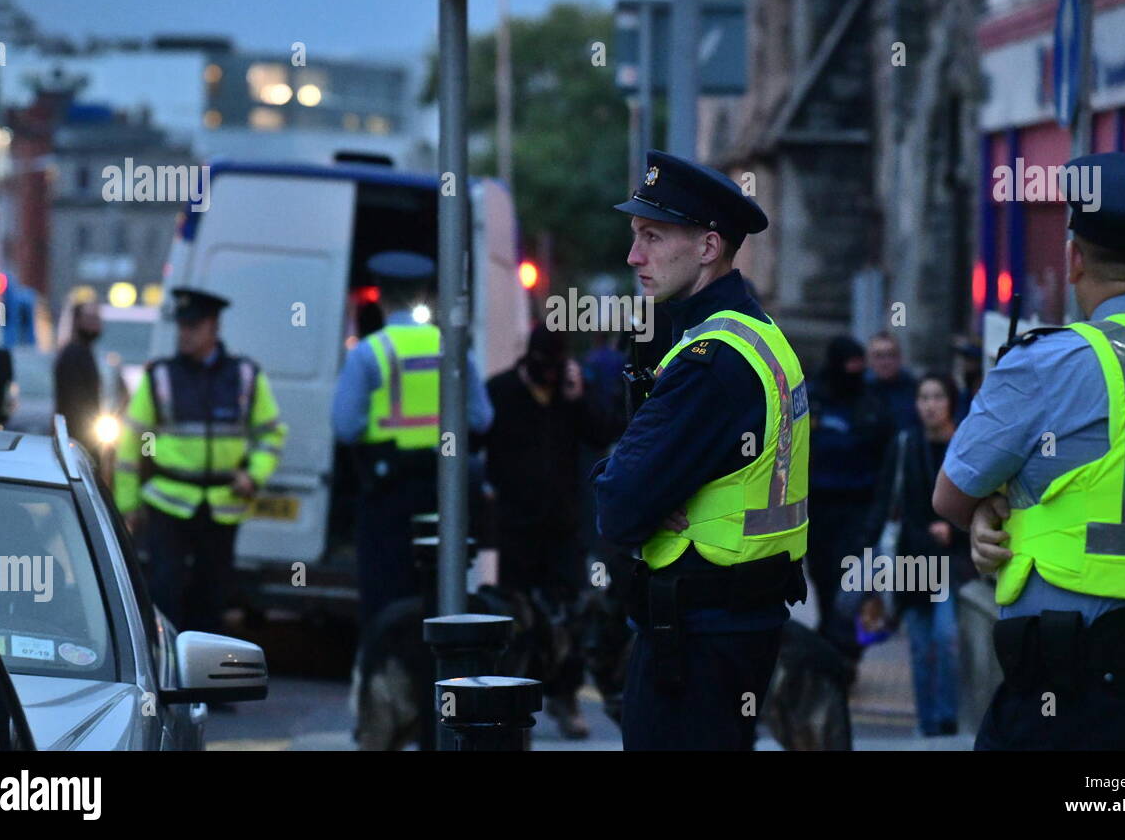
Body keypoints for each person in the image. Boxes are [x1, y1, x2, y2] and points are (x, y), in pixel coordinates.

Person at [933, 152, 1125, 751]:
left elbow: (951, 493)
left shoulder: (1050, 363)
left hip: (1074, 706)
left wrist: (983, 511)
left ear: (1074, 258)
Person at [592, 149, 810, 751]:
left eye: (653, 237)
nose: (635, 256)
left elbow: (617, 507)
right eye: (636, 236)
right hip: (736, 623)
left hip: (695, 638)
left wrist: (633, 487)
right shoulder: (758, 334)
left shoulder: (709, 363)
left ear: (709, 247)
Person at [331, 251, 494, 627]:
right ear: (425, 293)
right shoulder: (452, 348)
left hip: (389, 492)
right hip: (445, 488)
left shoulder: (369, 354)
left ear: (381, 296)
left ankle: (385, 675)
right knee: (441, 590)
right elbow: (482, 418)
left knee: (386, 595)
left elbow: (345, 427)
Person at [114, 288, 287, 635]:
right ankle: (165, 669)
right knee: (164, 590)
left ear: (214, 327)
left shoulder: (244, 376)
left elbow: (271, 434)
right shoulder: (160, 377)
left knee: (211, 595)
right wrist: (128, 505)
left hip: (223, 504)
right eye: (181, 327)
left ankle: (202, 674)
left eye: (193, 327)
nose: (185, 334)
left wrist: (254, 476)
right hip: (168, 501)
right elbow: (132, 443)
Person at [484, 323, 617, 739]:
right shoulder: (501, 391)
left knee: (572, 616)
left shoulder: (568, 394)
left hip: (561, 526)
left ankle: (566, 696)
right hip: (516, 526)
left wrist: (579, 400)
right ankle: (511, 705)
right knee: (517, 619)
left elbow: (602, 433)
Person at [866, 372, 977, 736]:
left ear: (951, 403)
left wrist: (955, 529)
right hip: (913, 561)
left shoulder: (965, 444)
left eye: (937, 397)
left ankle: (946, 719)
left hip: (950, 560)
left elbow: (983, 498)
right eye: (923, 398)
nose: (930, 405)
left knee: (945, 639)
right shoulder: (904, 444)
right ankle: (927, 724)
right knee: (918, 645)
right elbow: (886, 501)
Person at [807, 336, 894, 664]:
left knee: (851, 582)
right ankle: (831, 640)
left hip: (859, 508)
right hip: (817, 507)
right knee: (823, 575)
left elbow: (886, 461)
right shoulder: (814, 400)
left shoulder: (872, 406)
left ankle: (841, 652)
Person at [54, 300, 102, 452]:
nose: (97, 323)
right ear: (77, 321)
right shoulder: (74, 354)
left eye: (97, 318)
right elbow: (74, 401)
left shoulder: (84, 352)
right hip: (78, 437)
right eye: (91, 318)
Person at [866, 330, 920, 433]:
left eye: (891, 355)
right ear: (870, 360)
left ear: (900, 358)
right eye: (879, 356)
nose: (885, 362)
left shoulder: (915, 391)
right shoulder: (861, 391)